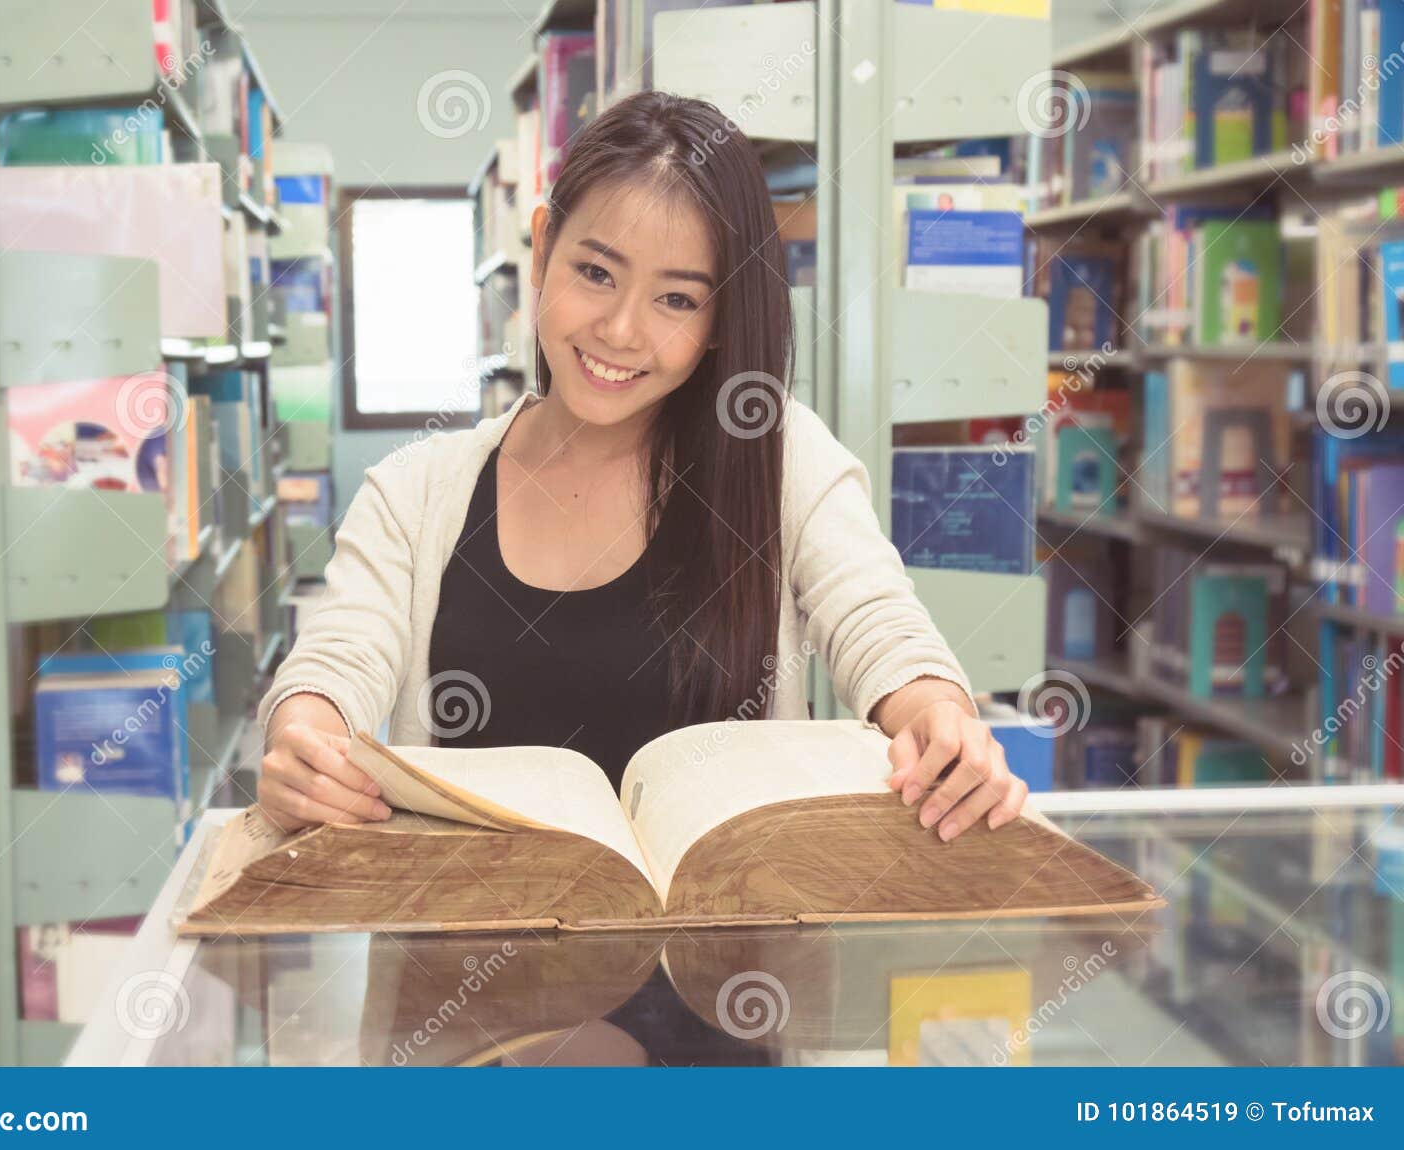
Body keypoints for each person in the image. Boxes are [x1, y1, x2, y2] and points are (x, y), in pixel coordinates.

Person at [257, 90, 1030, 846]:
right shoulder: (414, 490)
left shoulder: (780, 457)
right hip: (468, 959)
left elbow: (878, 621)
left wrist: (937, 714)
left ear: (724, 318)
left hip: (728, 964)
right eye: (595, 273)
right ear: (542, 245)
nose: (621, 331)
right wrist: (306, 735)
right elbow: (340, 655)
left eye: (678, 300)